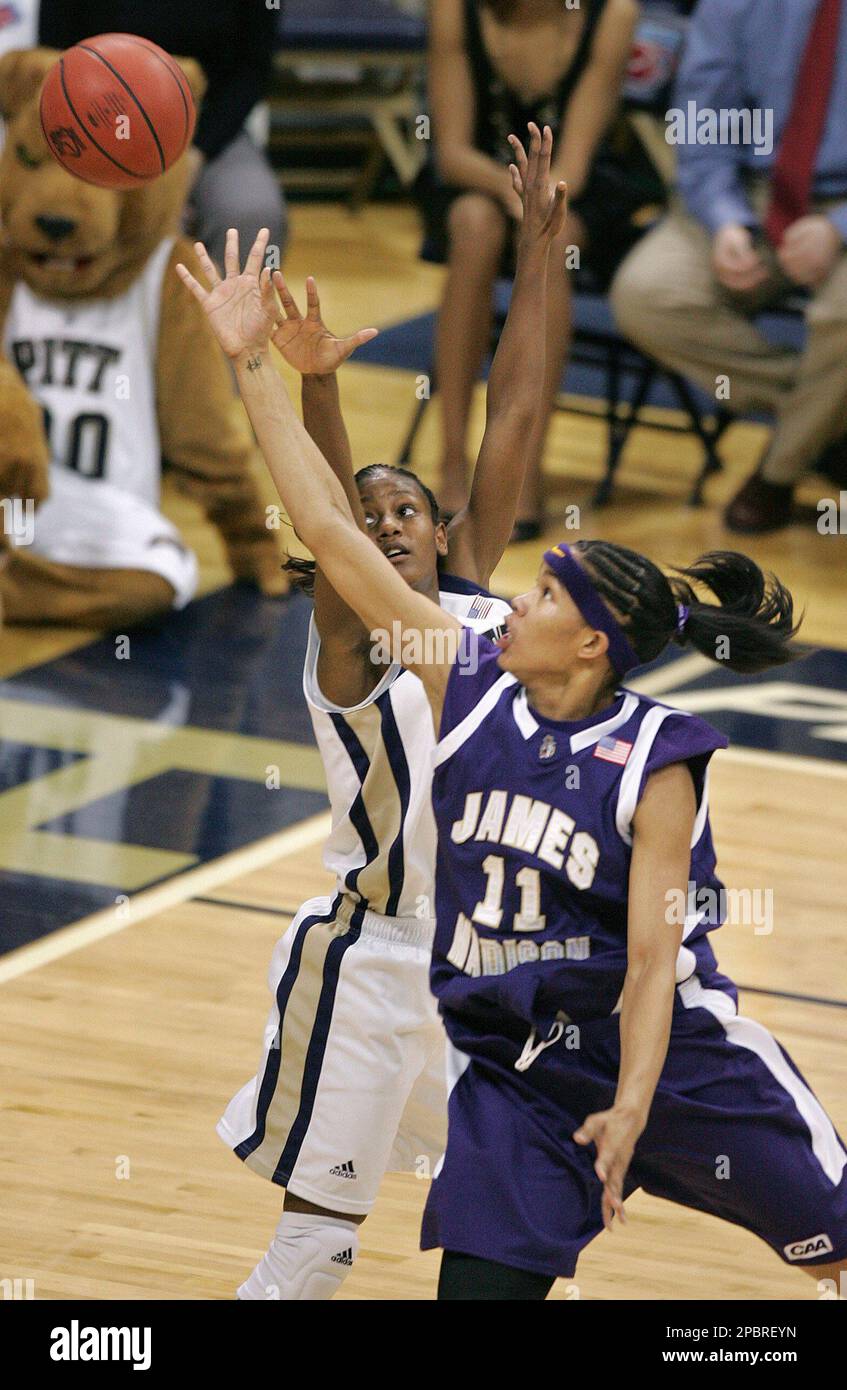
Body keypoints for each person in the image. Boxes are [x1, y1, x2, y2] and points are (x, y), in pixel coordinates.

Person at [179, 226, 847, 1304]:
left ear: (589, 645)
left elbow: (645, 964)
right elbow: (322, 523)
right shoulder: (462, 674)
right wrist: (250, 360)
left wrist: (631, 1106)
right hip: (512, 1056)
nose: (507, 601)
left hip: (667, 1050)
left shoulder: (656, 760)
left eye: (539, 596)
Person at [179, 125, 567, 1299]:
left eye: (413, 508)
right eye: (374, 511)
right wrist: (306, 380)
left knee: (515, 1241)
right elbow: (331, 528)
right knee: (313, 1246)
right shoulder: (359, 636)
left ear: (448, 536)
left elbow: (513, 415)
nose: (391, 518)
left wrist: (544, 248)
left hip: (497, 967)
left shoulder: (476, 617)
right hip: (372, 958)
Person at [610, 0, 847, 533]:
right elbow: (704, 123)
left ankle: (778, 472)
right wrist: (725, 221)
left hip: (842, 205)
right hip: (753, 193)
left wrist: (838, 228)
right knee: (647, 294)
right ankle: (826, 420)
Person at [423, 0, 650, 534]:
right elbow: (452, 153)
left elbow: (576, 163)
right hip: (480, 179)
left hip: (573, 188)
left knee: (552, 240)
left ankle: (523, 470)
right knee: (475, 227)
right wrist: (512, 193)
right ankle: (452, 461)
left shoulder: (612, 14)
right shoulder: (454, 9)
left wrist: (538, 205)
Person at [37, 0, 287, 274]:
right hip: (96, 124)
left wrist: (197, 151)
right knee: (128, 220)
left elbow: (253, 69)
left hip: (211, 125)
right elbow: (52, 55)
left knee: (255, 213)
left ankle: (227, 314)